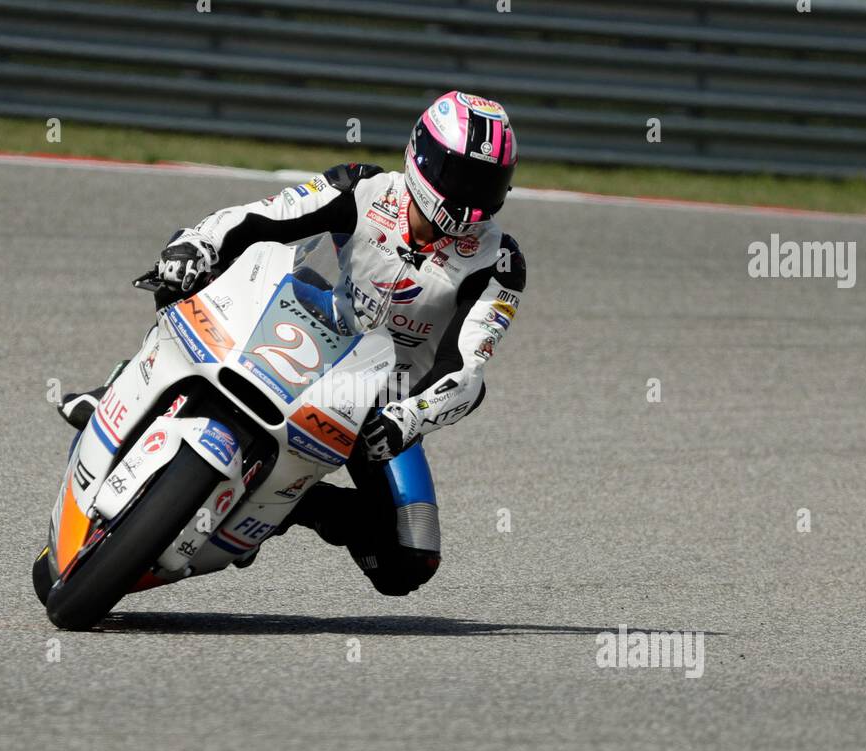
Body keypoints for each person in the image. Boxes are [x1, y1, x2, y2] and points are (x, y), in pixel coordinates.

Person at [59, 91, 526, 596]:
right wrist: (201, 242)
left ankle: (277, 503)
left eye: (488, 183)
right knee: (190, 275)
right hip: (316, 328)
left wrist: (408, 418)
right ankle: (127, 385)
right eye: (462, 177)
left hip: (383, 400)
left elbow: (467, 371)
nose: (471, 198)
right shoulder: (365, 187)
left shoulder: (498, 263)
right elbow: (266, 214)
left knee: (409, 560)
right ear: (422, 157)